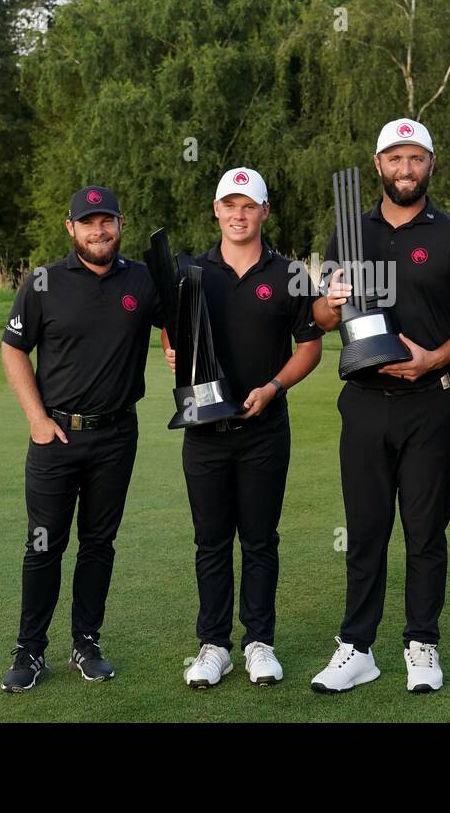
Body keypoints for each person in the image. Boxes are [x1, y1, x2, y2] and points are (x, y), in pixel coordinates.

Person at [310, 118, 450, 694]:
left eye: (416, 158)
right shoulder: (349, 232)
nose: (405, 168)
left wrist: (435, 357)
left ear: (430, 165)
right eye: (395, 158)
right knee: (366, 530)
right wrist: (327, 301)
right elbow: (319, 318)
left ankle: (422, 644)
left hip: (431, 402)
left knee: (425, 530)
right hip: (364, 402)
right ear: (379, 165)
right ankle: (357, 647)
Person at [0, 185, 164, 692]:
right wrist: (36, 417)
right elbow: (13, 350)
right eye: (88, 222)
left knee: (99, 544)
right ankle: (30, 650)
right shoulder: (43, 282)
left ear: (119, 224)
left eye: (107, 220)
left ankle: (86, 642)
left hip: (117, 434)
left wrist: (176, 345)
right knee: (43, 545)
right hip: (56, 436)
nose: (99, 230)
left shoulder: (143, 277)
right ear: (71, 228)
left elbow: (176, 324)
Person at [163, 168, 323, 688]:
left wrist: (274, 386)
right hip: (204, 432)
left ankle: (259, 643)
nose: (239, 214)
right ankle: (213, 646)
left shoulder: (290, 274)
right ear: (216, 211)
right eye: (230, 205)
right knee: (210, 541)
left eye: (249, 205)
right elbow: (171, 331)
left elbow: (310, 347)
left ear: (264, 212)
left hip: (265, 429)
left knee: (259, 540)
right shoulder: (190, 271)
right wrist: (172, 351)